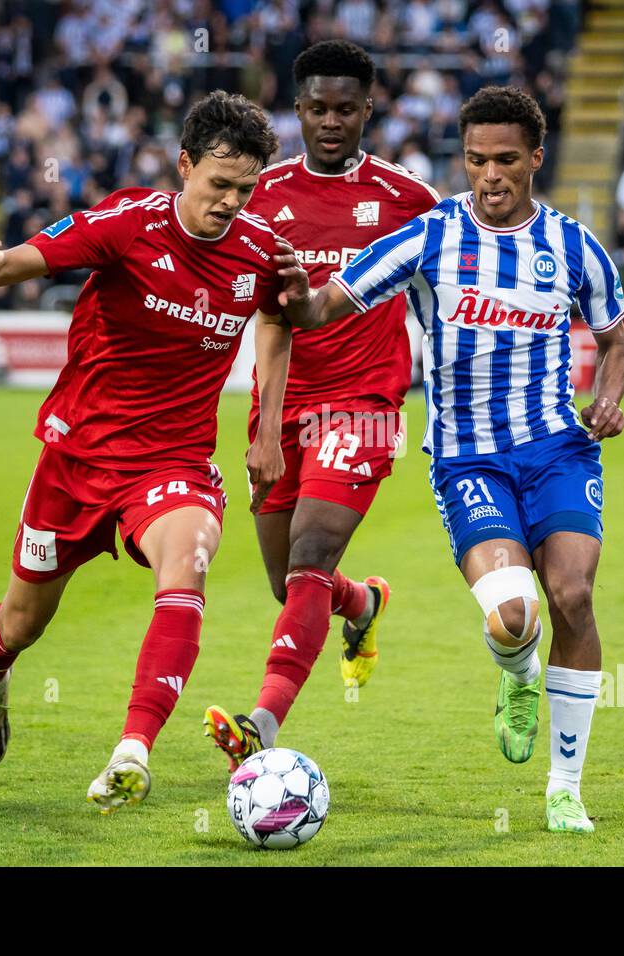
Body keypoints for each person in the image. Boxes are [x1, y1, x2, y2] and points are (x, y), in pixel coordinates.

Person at [273, 86, 624, 833]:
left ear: (537, 158)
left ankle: (565, 787)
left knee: (572, 596)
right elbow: (323, 309)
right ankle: (519, 674)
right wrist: (298, 295)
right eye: (475, 160)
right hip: (469, 461)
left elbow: (616, 342)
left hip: (557, 450)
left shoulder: (574, 246)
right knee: (513, 616)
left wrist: (606, 398)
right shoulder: (429, 236)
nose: (490, 175)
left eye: (505, 160)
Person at [0, 91, 292, 814]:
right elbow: (14, 266)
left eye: (245, 190)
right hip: (77, 459)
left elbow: (276, 320)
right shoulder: (129, 221)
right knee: (21, 624)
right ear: (184, 166)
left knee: (188, 562)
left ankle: (131, 751)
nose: (230, 203)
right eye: (218, 186)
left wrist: (266, 434)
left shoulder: (260, 251)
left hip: (174, 465)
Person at [201, 40, 441, 770]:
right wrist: (265, 430)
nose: (331, 122)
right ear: (297, 109)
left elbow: (446, 304)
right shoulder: (262, 196)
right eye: (317, 109)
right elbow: (268, 320)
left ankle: (261, 727)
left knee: (309, 555)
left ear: (369, 109)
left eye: (346, 109)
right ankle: (361, 605)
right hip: (282, 407)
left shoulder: (411, 200)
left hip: (365, 405)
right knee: (289, 584)